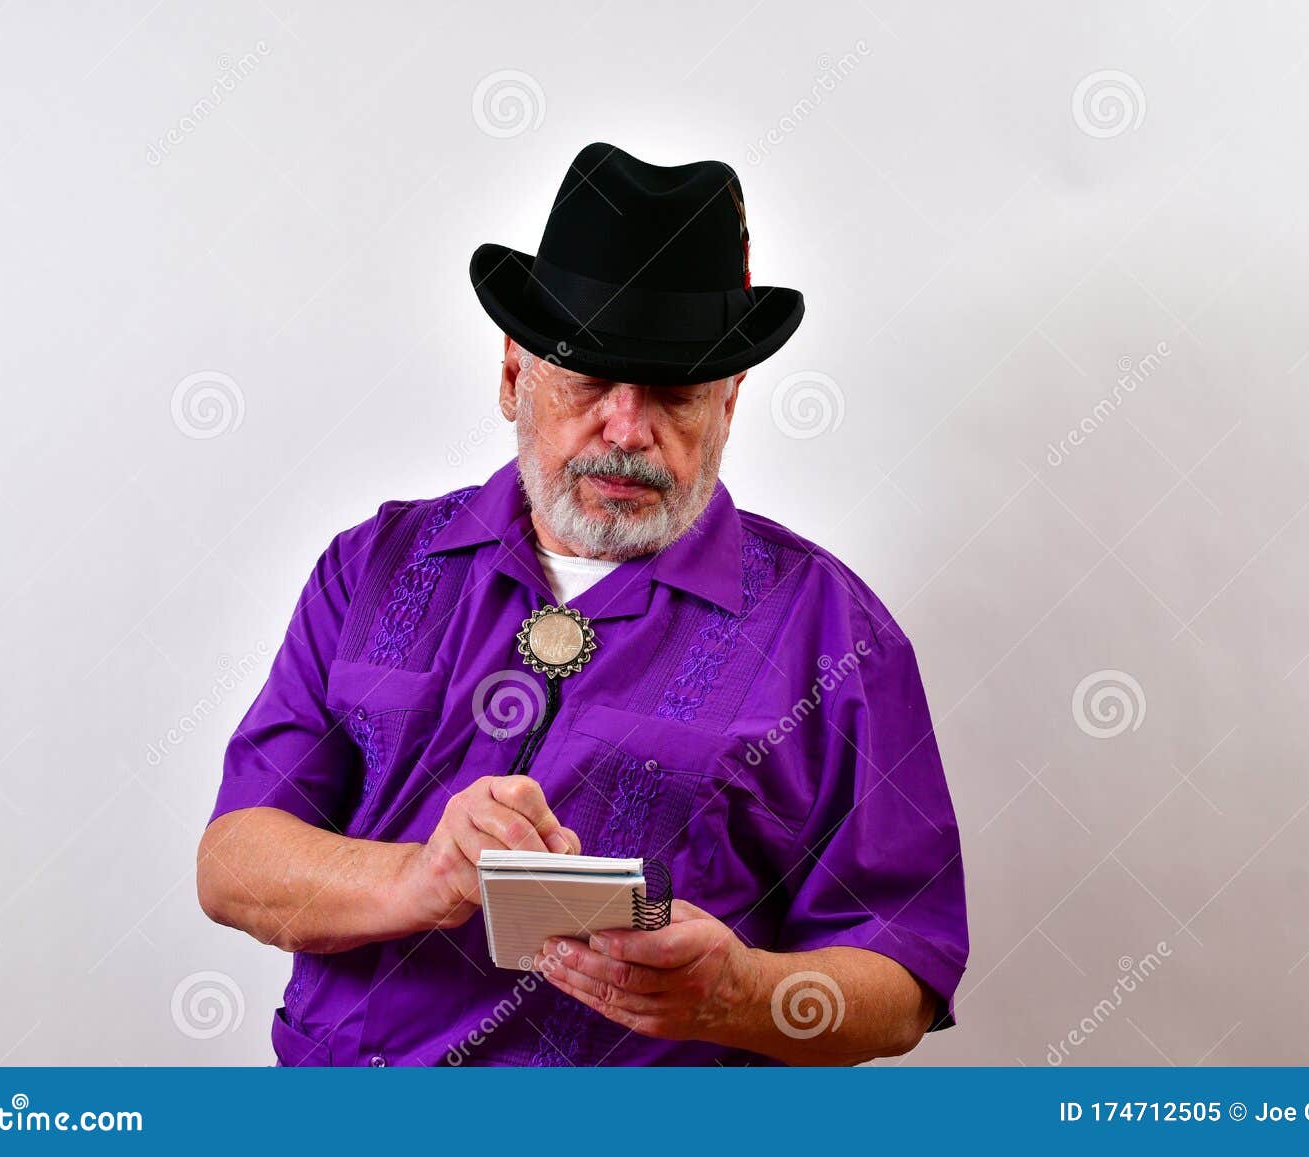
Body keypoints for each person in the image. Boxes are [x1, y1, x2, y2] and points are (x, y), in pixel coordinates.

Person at [197, 142, 968, 1066]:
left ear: (729, 404)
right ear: (515, 375)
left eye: (676, 391)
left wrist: (738, 996)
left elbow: (906, 984)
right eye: (590, 378)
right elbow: (234, 862)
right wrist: (421, 875)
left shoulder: (836, 634)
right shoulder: (373, 566)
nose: (628, 427)